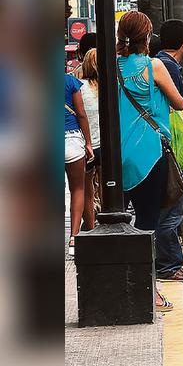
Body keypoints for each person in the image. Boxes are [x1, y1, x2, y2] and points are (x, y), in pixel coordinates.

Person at [115, 11, 183, 312]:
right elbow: (180, 102)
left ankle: (122, 283)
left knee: (118, 222)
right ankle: (148, 289)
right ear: (146, 36)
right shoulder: (152, 65)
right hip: (150, 153)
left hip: (116, 155)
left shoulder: (112, 66)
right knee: (148, 224)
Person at [153, 19, 183, 283]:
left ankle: (169, 260)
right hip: (176, 144)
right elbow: (180, 103)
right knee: (173, 210)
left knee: (167, 208)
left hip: (161, 144)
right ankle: (169, 264)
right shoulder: (168, 66)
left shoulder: (158, 61)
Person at [65, 71, 93, 251]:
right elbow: (81, 114)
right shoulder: (71, 82)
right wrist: (88, 142)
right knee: (77, 189)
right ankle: (74, 237)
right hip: (71, 139)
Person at [78, 49, 102, 233]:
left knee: (87, 191)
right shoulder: (110, 87)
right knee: (107, 188)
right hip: (106, 145)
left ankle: (91, 228)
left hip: (86, 145)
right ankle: (107, 222)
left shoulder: (79, 88)